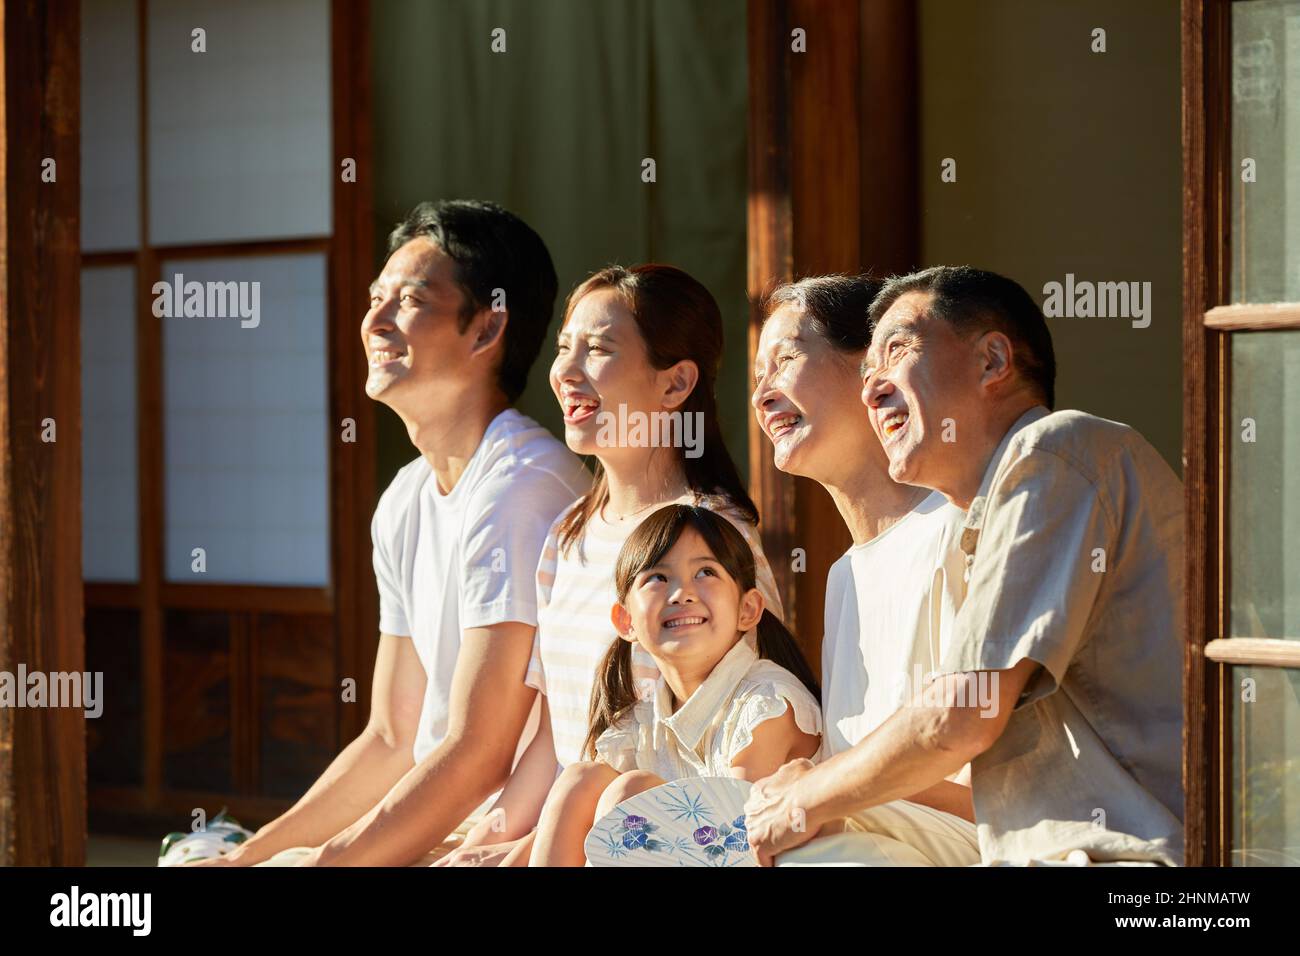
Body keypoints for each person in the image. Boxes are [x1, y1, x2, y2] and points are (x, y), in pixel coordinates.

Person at [193, 200, 589, 866]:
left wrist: (326, 864)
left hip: (511, 838)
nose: (373, 321)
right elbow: (392, 735)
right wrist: (248, 857)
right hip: (439, 823)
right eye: (375, 299)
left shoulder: (523, 486)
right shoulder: (406, 496)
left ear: (487, 327)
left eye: (408, 301)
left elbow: (480, 753)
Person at [746, 265, 1184, 866]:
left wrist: (805, 798)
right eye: (868, 368)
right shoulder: (998, 505)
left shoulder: (1054, 449)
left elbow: (959, 714)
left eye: (896, 350)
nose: (872, 388)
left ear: (992, 361)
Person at [436, 264, 784, 866]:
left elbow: (726, 755)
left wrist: (531, 851)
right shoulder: (568, 533)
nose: (566, 372)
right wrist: (484, 844)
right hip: (566, 832)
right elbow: (559, 739)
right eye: (564, 347)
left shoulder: (711, 537)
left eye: (597, 349)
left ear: (675, 385)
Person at [750, 275, 980, 866]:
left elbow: (994, 793)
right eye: (757, 379)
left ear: (870, 368)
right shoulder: (843, 576)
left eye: (786, 361)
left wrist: (829, 787)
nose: (762, 395)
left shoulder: (955, 530)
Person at [528, 504, 821, 866]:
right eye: (657, 578)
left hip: (751, 858)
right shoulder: (642, 722)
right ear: (626, 621)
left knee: (631, 793)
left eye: (705, 572)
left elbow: (744, 850)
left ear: (748, 609)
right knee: (582, 779)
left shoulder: (767, 704)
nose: (682, 593)